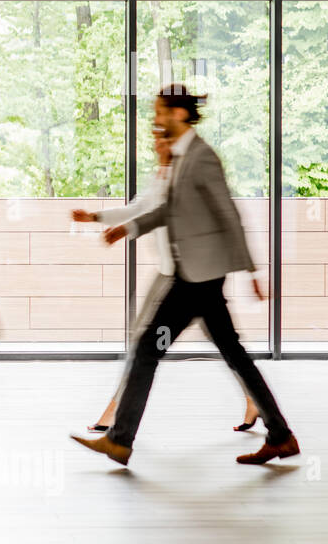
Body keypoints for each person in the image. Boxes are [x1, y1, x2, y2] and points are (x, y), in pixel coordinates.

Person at [71, 84, 299, 467]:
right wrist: (125, 229)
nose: (155, 118)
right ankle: (281, 435)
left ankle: (120, 440)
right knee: (234, 354)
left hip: (197, 279)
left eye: (160, 111)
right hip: (197, 278)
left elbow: (229, 214)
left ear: (178, 114)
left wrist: (251, 270)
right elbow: (166, 212)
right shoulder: (180, 157)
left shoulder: (201, 158)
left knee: (147, 349)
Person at [72, 126, 261, 434]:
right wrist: (94, 218)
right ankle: (255, 400)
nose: (156, 141)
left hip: (188, 276)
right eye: (156, 137)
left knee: (153, 340)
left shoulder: (182, 176)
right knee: (211, 341)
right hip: (170, 273)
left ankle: (116, 411)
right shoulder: (158, 177)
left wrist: (247, 271)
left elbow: (202, 215)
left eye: (163, 136)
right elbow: (136, 209)